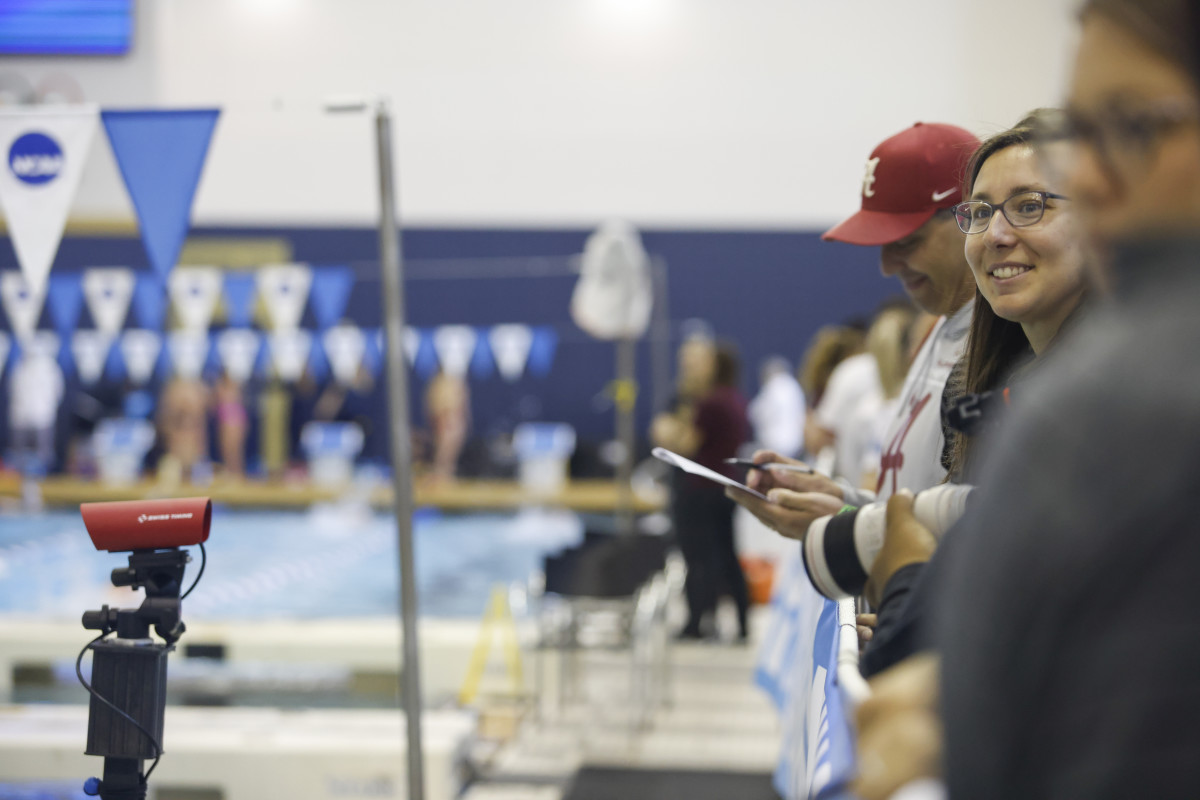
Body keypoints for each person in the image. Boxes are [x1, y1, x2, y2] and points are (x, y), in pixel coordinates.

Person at [928, 2, 1200, 796]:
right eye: (978, 213)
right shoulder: (1013, 392)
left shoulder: (1122, 416)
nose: (1088, 173)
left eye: (1135, 126)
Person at [856, 109, 1090, 680]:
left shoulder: (1114, 404)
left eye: (1030, 205)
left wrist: (912, 599)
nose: (997, 234)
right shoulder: (979, 378)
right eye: (980, 213)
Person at [730, 122, 980, 543]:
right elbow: (911, 509)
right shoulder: (941, 330)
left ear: (971, 216)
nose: (886, 266)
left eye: (907, 240)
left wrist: (847, 528)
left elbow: (980, 535)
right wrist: (839, 502)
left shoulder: (1004, 347)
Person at [652, 338, 751, 640]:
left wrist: (670, 433)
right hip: (724, 487)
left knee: (699, 559)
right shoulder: (732, 398)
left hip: (701, 489)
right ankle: (738, 623)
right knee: (725, 557)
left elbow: (683, 443)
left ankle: (698, 622)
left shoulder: (710, 403)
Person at [748, 356, 806, 459]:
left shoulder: (773, 386)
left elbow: (755, 413)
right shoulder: (794, 386)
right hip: (797, 445)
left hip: (775, 444)